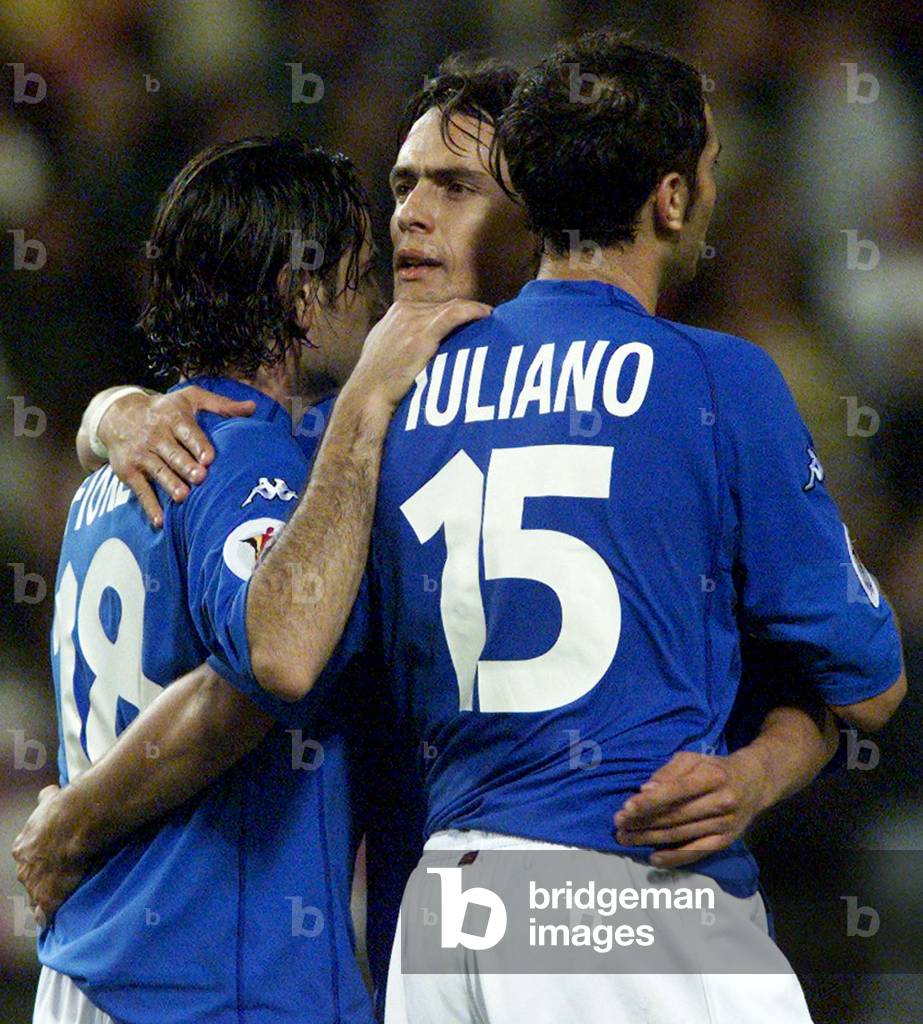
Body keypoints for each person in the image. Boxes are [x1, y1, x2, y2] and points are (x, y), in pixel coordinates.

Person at [16, 51, 848, 1022]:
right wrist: (112, 411)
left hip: (604, 916)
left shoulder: (666, 407)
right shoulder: (347, 438)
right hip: (436, 958)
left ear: (537, 213)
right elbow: (253, 657)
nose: (408, 213)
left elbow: (815, 675)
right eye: (403, 183)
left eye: (454, 188)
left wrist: (754, 773)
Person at [13, 134, 486, 1024]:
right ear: (301, 291)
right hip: (202, 979)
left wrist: (106, 413)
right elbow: (275, 656)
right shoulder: (254, 463)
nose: (377, 300)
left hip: (97, 960)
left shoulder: (126, 466)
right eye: (359, 270)